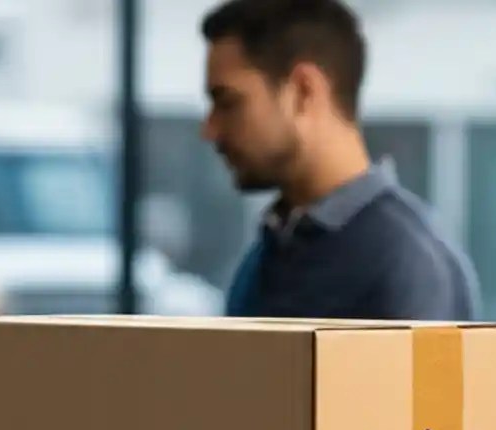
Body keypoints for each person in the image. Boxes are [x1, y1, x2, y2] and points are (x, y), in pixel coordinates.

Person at [200, 0, 479, 320]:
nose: (209, 130)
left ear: (304, 91)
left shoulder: (412, 266)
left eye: (228, 102)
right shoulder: (263, 259)